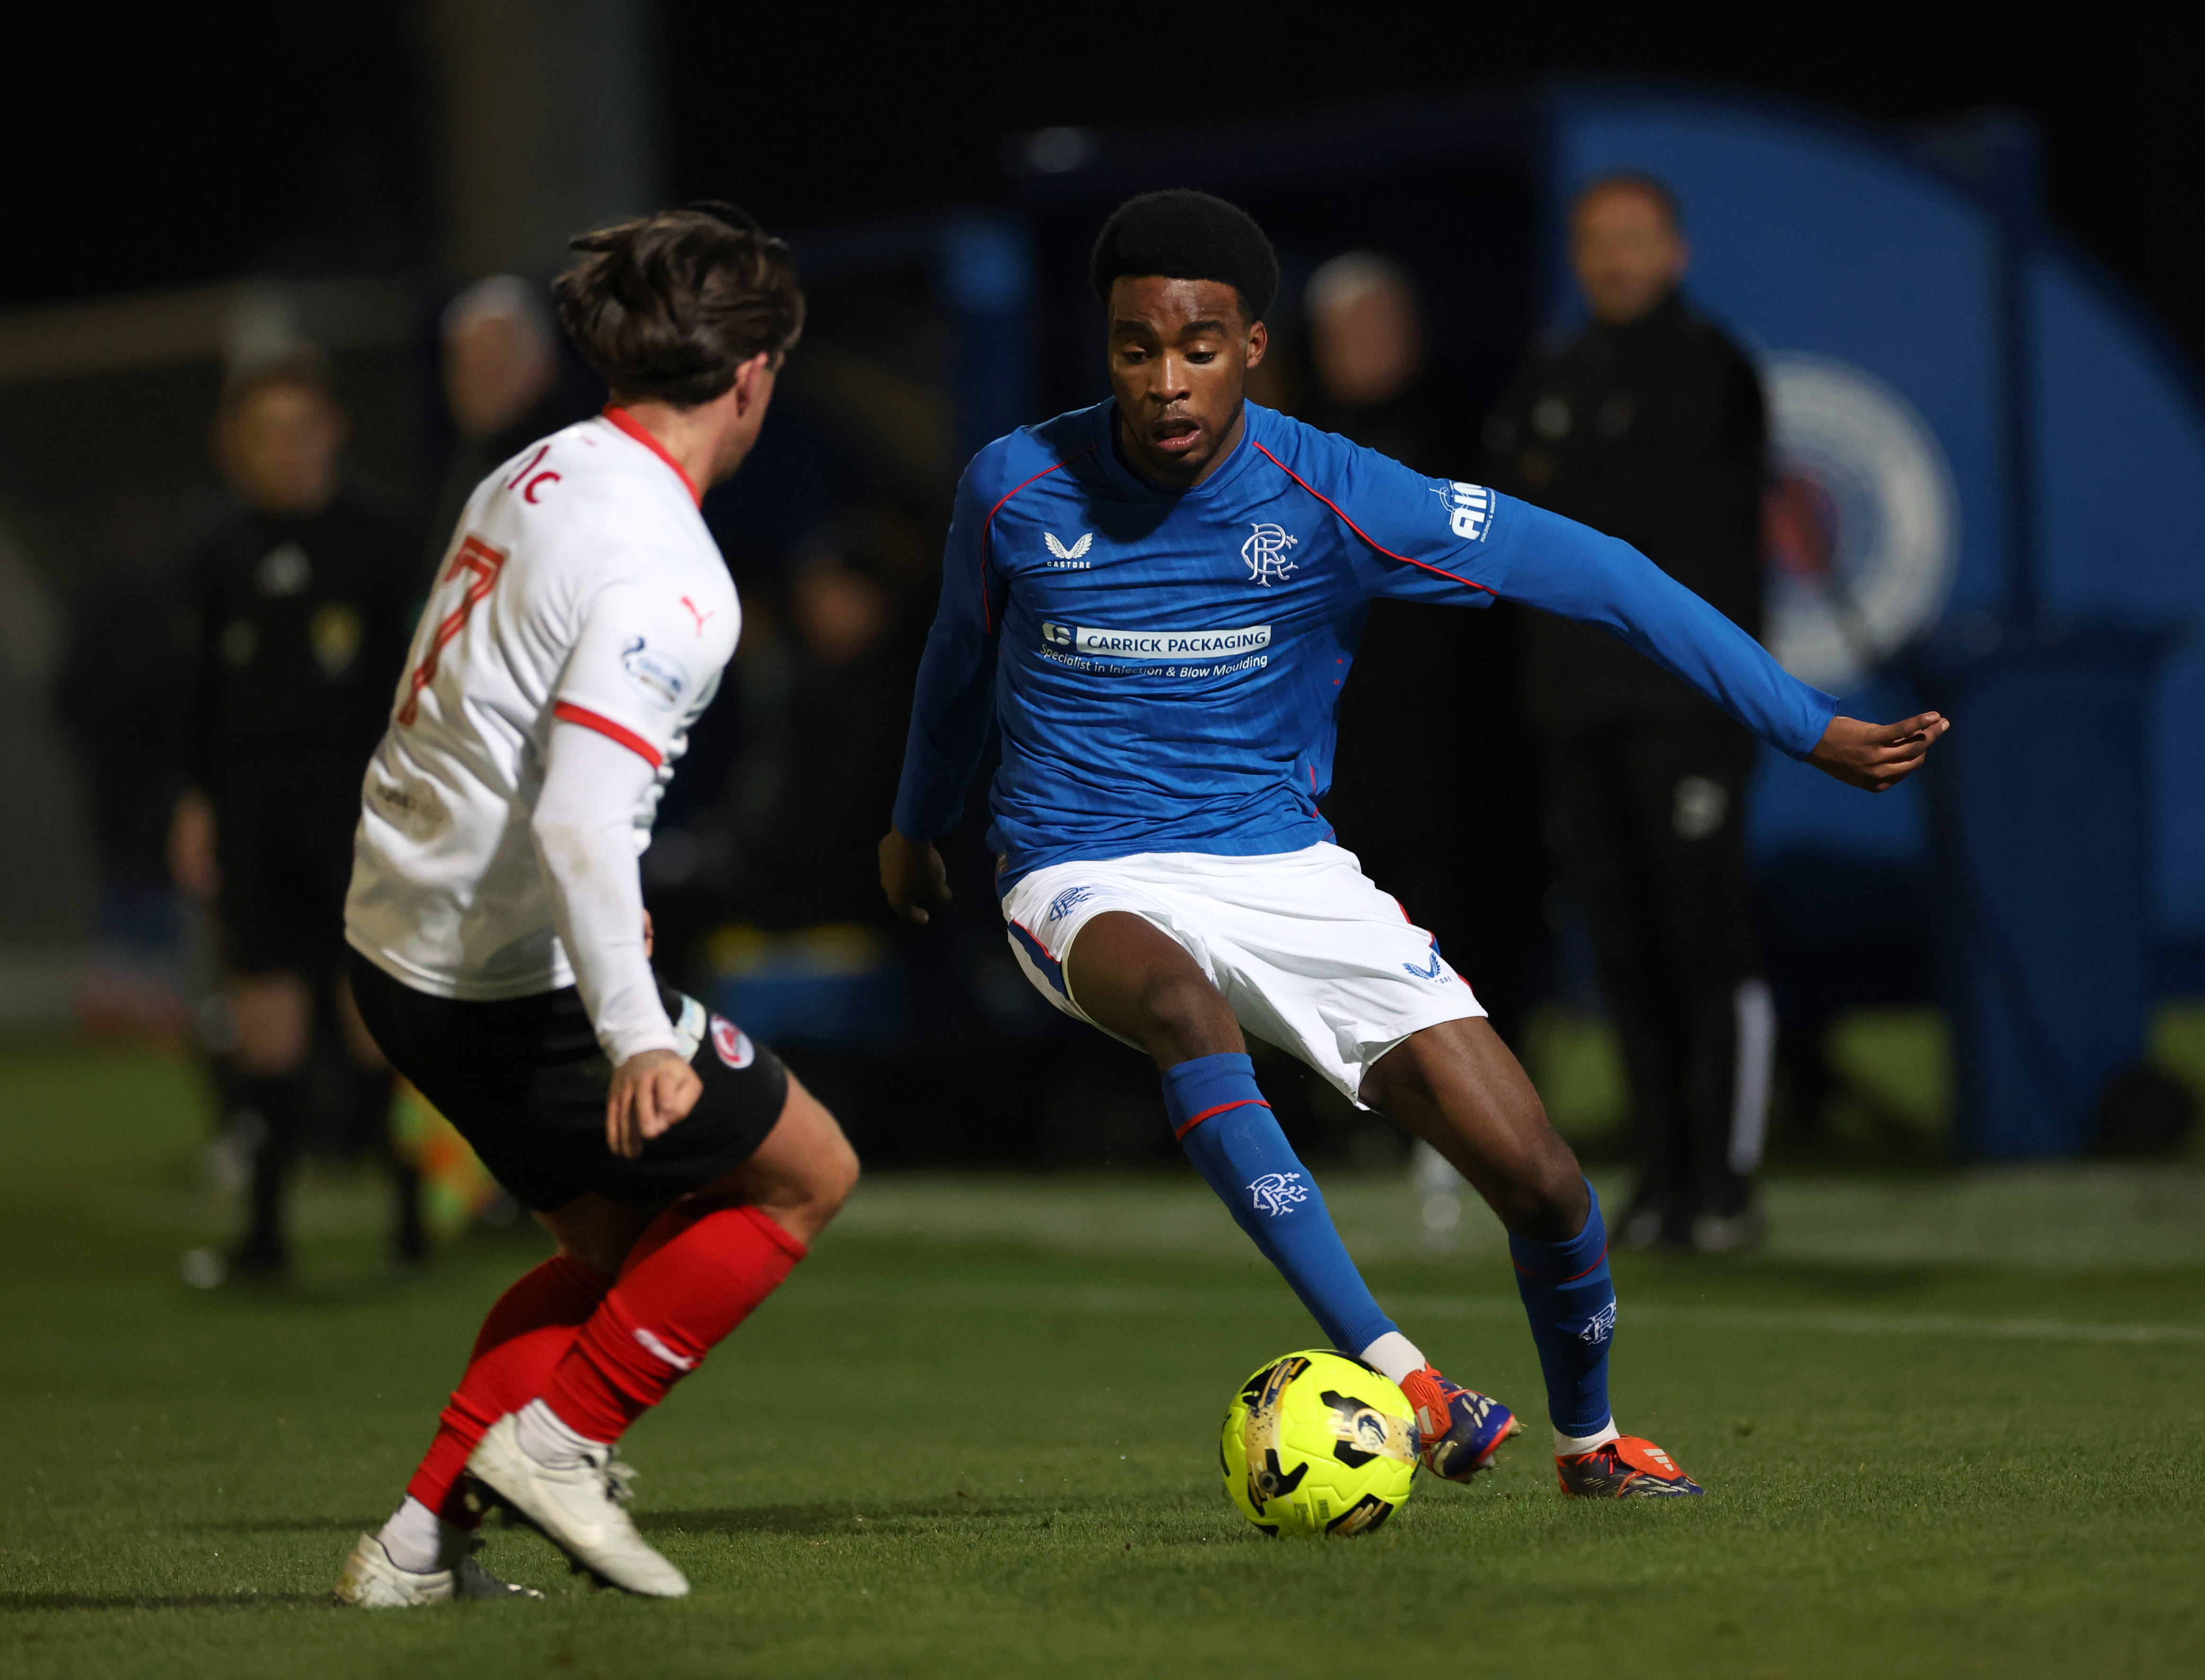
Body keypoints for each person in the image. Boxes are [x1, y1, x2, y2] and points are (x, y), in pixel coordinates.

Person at [879, 190, 1945, 1501]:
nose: (1164, 382)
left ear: (1254, 347)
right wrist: (916, 823)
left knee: (1545, 1183)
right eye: (1133, 348)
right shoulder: (1014, 486)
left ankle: (1589, 1446)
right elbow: (952, 666)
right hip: (1076, 866)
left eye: (1197, 346)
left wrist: (1801, 723)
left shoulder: (1330, 489)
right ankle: (1401, 1376)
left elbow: (1600, 570)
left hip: (1279, 863)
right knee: (1178, 1004)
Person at [333, 203, 858, 1608]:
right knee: (807, 1172)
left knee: (629, 1253)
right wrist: (636, 1032)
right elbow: (577, 815)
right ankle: (562, 1443)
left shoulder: (535, 469)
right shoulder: (674, 573)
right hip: (500, 972)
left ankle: (413, 1547)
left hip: (400, 936)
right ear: (749, 375)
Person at [1485, 173, 1774, 1252]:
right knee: (1620, 949)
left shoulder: (1712, 370)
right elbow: (1511, 519)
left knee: (1703, 935)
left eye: (1634, 239)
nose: (1613, 260)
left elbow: (1630, 518)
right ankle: (1659, 1180)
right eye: (1594, 240)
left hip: (1682, 702)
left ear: (1673, 251)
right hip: (1574, 704)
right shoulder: (1551, 373)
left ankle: (1727, 1180)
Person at [168, 348, 423, 1278]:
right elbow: (198, 699)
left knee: (376, 1023)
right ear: (236, 446)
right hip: (254, 822)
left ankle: (410, 1221)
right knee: (266, 1020)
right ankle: (265, 1237)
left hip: (367, 822)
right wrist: (194, 805)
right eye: (263, 433)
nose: (284, 449)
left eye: (299, 428)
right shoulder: (219, 554)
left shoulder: (382, 545)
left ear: (333, 432)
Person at [1303, 252, 1545, 1050]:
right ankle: (1371, 1108)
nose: (1367, 347)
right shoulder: (1294, 447)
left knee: (1465, 920)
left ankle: (1484, 1109)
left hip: (1455, 745)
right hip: (1340, 750)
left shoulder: (1465, 432)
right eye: (1347, 333)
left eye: (1382, 326)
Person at [420, 276, 571, 583]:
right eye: (462, 368)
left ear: (541, 368)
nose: (472, 386)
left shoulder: (564, 470)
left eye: (491, 367)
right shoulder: (452, 467)